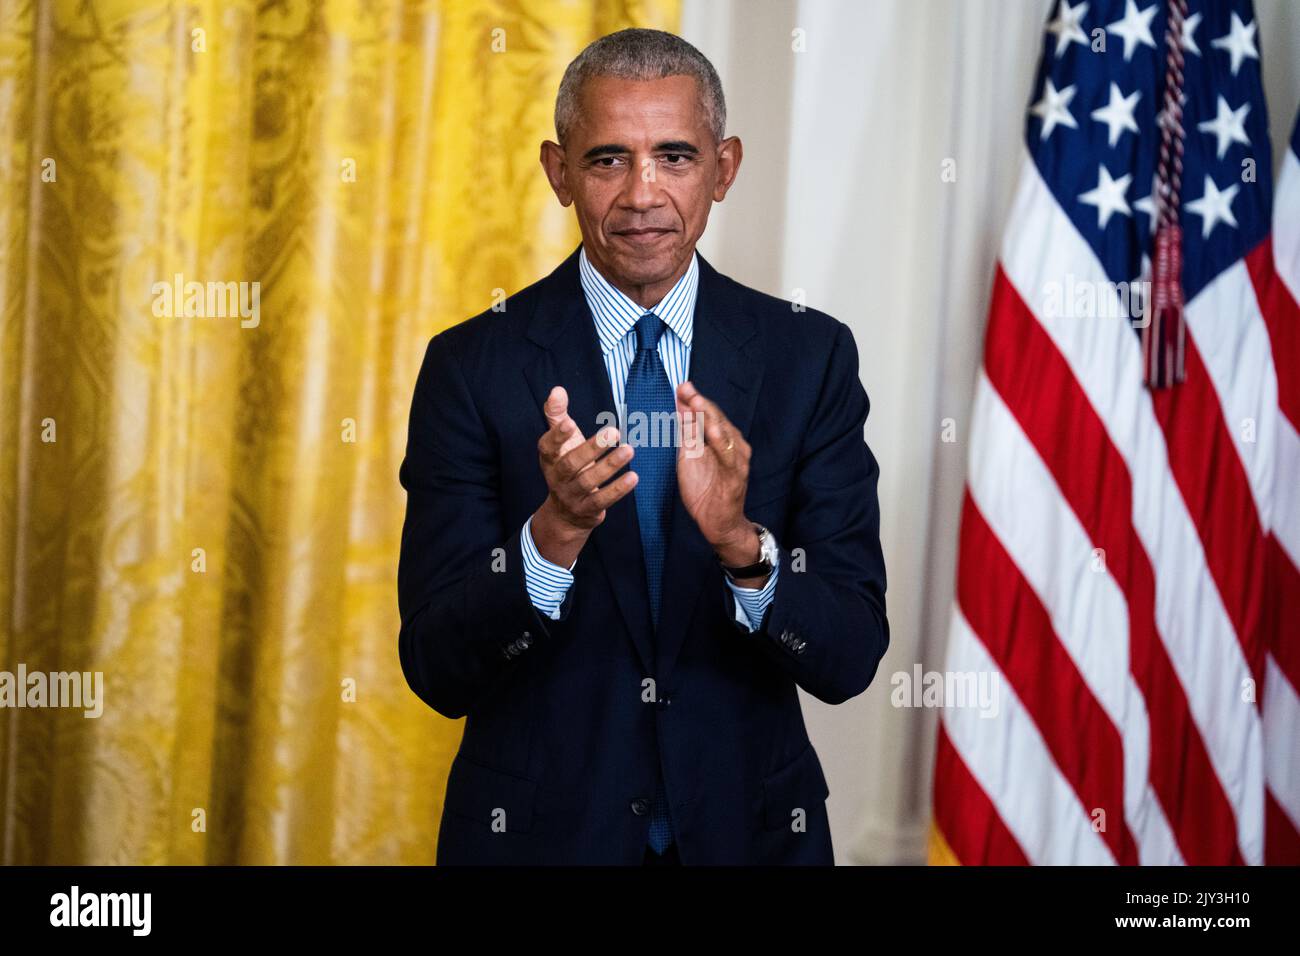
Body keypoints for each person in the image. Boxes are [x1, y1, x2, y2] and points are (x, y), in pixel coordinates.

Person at [397, 27, 888, 866]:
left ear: (724, 168)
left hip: (754, 836)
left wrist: (742, 545)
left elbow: (847, 656)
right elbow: (439, 668)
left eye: (674, 156)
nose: (642, 194)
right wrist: (554, 536)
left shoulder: (811, 358)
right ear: (559, 173)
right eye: (607, 160)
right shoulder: (471, 366)